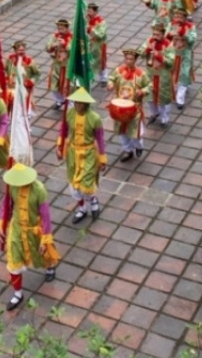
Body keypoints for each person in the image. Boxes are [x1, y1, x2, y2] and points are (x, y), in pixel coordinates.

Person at [0, 163, 60, 311]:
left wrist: (45, 237)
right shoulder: (12, 186)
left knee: (43, 252)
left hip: (34, 229)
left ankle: (50, 266)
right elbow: (6, 205)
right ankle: (17, 293)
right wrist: (2, 222)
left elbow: (45, 216)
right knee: (14, 261)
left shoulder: (39, 190)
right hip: (17, 228)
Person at [57, 87, 106, 224]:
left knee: (87, 183)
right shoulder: (69, 113)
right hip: (73, 153)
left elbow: (100, 139)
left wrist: (102, 158)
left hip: (89, 154)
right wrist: (60, 146)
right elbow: (63, 129)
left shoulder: (95, 118)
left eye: (81, 103)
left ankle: (93, 200)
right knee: (73, 185)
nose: (78, 105)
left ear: (86, 104)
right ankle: (82, 207)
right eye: (76, 102)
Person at [106, 48, 150, 160]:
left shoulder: (141, 74)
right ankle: (127, 150)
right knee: (122, 132)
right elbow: (111, 78)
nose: (128, 61)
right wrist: (110, 84)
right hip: (119, 107)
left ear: (135, 60)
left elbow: (150, 85)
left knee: (135, 133)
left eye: (131, 59)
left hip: (134, 108)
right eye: (127, 58)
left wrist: (142, 91)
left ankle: (139, 146)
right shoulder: (119, 71)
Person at [141, 23, 175, 127]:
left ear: (163, 34)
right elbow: (140, 53)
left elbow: (171, 61)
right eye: (154, 34)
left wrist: (158, 56)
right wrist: (147, 50)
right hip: (150, 74)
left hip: (162, 75)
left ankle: (164, 118)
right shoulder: (149, 41)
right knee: (149, 95)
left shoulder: (168, 44)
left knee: (162, 98)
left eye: (158, 35)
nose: (155, 37)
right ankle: (154, 113)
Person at [168, 6, 197, 110]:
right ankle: (172, 90)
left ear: (185, 18)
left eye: (180, 17)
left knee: (184, 73)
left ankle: (180, 98)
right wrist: (169, 35)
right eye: (176, 16)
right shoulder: (172, 24)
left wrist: (184, 35)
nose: (178, 19)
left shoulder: (190, 26)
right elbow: (167, 37)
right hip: (173, 53)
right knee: (171, 72)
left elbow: (193, 39)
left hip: (185, 53)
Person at [44, 19, 72, 109]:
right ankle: (60, 100)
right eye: (59, 28)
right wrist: (53, 45)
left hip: (68, 65)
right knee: (54, 83)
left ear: (67, 28)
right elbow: (47, 48)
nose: (60, 30)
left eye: (62, 28)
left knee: (67, 85)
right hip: (56, 64)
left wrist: (65, 45)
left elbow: (75, 50)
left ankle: (71, 103)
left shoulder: (72, 37)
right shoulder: (55, 36)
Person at [5, 41, 40, 114]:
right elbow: (4, 69)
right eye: (19, 50)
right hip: (12, 87)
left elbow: (37, 74)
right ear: (15, 51)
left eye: (23, 50)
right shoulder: (10, 59)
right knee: (12, 106)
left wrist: (31, 81)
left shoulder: (29, 61)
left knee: (24, 106)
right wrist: (6, 78)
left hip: (25, 88)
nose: (22, 52)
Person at [86, 3, 109, 85]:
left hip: (99, 45)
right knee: (89, 61)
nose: (88, 12)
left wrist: (90, 28)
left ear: (95, 11)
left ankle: (104, 77)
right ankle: (88, 78)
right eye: (87, 10)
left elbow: (100, 35)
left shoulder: (101, 22)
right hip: (90, 44)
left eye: (90, 11)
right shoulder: (88, 20)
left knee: (101, 62)